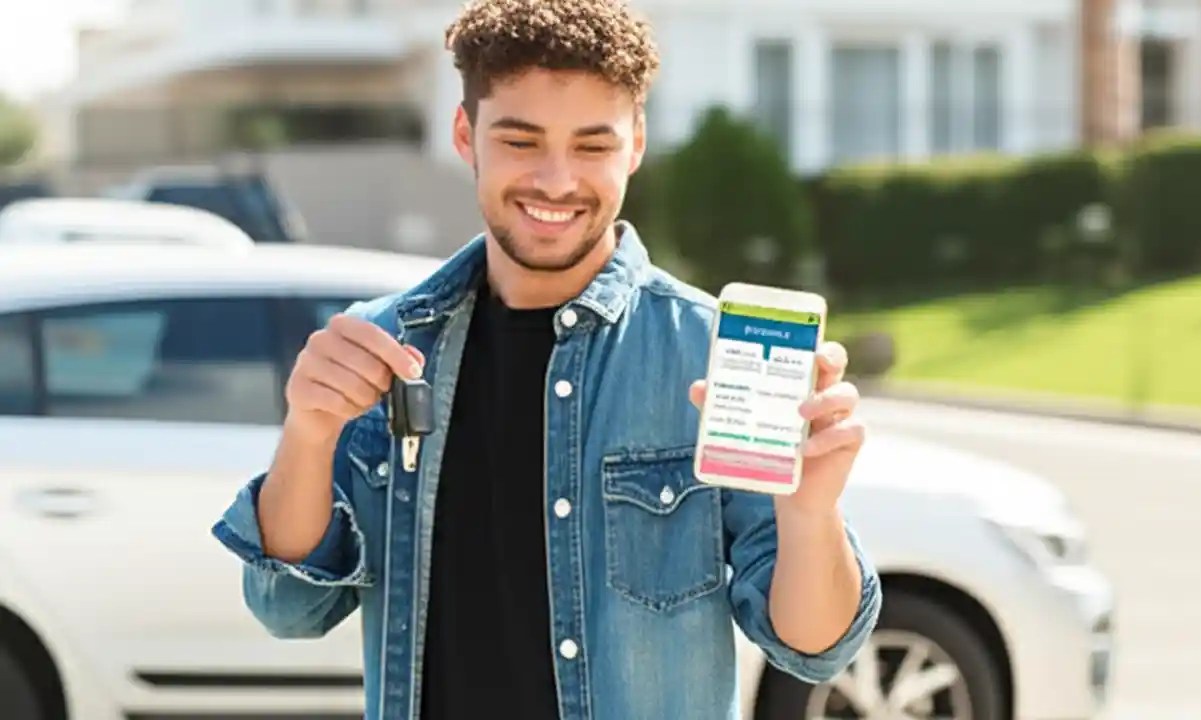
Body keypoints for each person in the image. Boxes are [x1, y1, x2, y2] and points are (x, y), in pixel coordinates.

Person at [211, 0, 882, 718]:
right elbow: (286, 608)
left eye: (593, 146)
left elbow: (814, 647)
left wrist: (810, 514)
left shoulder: (706, 352)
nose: (557, 181)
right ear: (467, 136)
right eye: (522, 141)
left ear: (636, 145)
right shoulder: (384, 345)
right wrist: (308, 435)